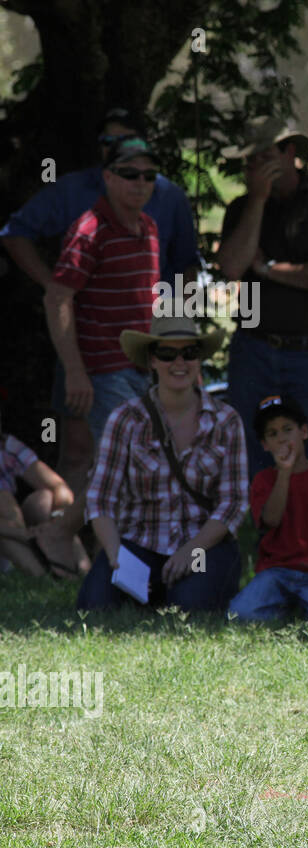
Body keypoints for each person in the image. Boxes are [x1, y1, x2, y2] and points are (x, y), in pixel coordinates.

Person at [217, 119, 308, 562]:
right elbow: (230, 267)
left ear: (291, 153)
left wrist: (269, 271)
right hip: (254, 348)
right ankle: (265, 553)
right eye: (252, 159)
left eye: (267, 155)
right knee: (252, 452)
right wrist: (258, 202)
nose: (259, 165)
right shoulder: (242, 208)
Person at [78, 315, 247, 612]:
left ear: (199, 360)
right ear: (152, 361)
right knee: (95, 607)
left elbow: (233, 503)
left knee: (188, 609)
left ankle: (175, 592)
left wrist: (190, 551)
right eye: (167, 354)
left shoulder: (227, 420)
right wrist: (117, 557)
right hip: (138, 541)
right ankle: (151, 591)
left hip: (202, 543)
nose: (179, 362)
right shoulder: (125, 418)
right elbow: (99, 498)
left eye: (189, 353)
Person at [41, 136, 165, 493]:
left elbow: (150, 302)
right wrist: (75, 371)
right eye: (129, 173)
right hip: (103, 373)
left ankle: (72, 539)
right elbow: (57, 299)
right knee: (123, 468)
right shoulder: (89, 231)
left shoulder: (150, 228)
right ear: (108, 177)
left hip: (143, 368)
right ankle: (75, 541)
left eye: (148, 175)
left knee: (119, 467)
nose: (140, 182)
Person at [1, 107, 200, 298]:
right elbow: (15, 233)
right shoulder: (72, 190)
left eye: (124, 140)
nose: (113, 147)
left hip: (155, 323)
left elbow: (187, 264)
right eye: (107, 140)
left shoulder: (170, 196)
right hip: (90, 324)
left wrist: (181, 322)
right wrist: (53, 287)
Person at [228, 395, 308, 627]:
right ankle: (288, 608)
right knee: (239, 614)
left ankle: (300, 608)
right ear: (264, 445)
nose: (281, 438)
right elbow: (270, 520)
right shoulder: (263, 480)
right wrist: (284, 473)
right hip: (276, 572)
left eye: (288, 429)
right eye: (273, 434)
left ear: (304, 432)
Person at [0, 424, 88, 578]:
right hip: (10, 532)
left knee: (44, 501)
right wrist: (24, 534)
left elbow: (60, 488)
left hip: (20, 530)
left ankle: (84, 571)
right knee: (4, 500)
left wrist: (57, 522)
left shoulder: (6, 447)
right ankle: (43, 576)